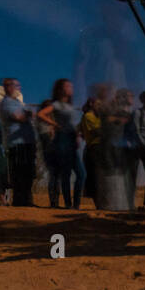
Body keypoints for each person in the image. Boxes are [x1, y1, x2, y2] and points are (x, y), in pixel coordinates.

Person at [37, 78, 82, 208]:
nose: (71, 88)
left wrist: (76, 135)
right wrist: (55, 124)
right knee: (63, 174)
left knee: (80, 173)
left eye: (71, 86)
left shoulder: (70, 106)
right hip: (61, 141)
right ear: (61, 89)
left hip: (70, 140)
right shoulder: (56, 105)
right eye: (67, 86)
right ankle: (67, 204)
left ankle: (74, 204)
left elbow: (72, 124)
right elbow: (41, 114)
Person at [0, 78, 36, 206]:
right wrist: (30, 114)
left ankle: (26, 201)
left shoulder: (17, 102)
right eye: (16, 85)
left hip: (26, 142)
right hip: (18, 144)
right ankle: (20, 202)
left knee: (28, 173)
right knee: (20, 173)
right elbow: (18, 117)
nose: (18, 88)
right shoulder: (7, 103)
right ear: (8, 87)